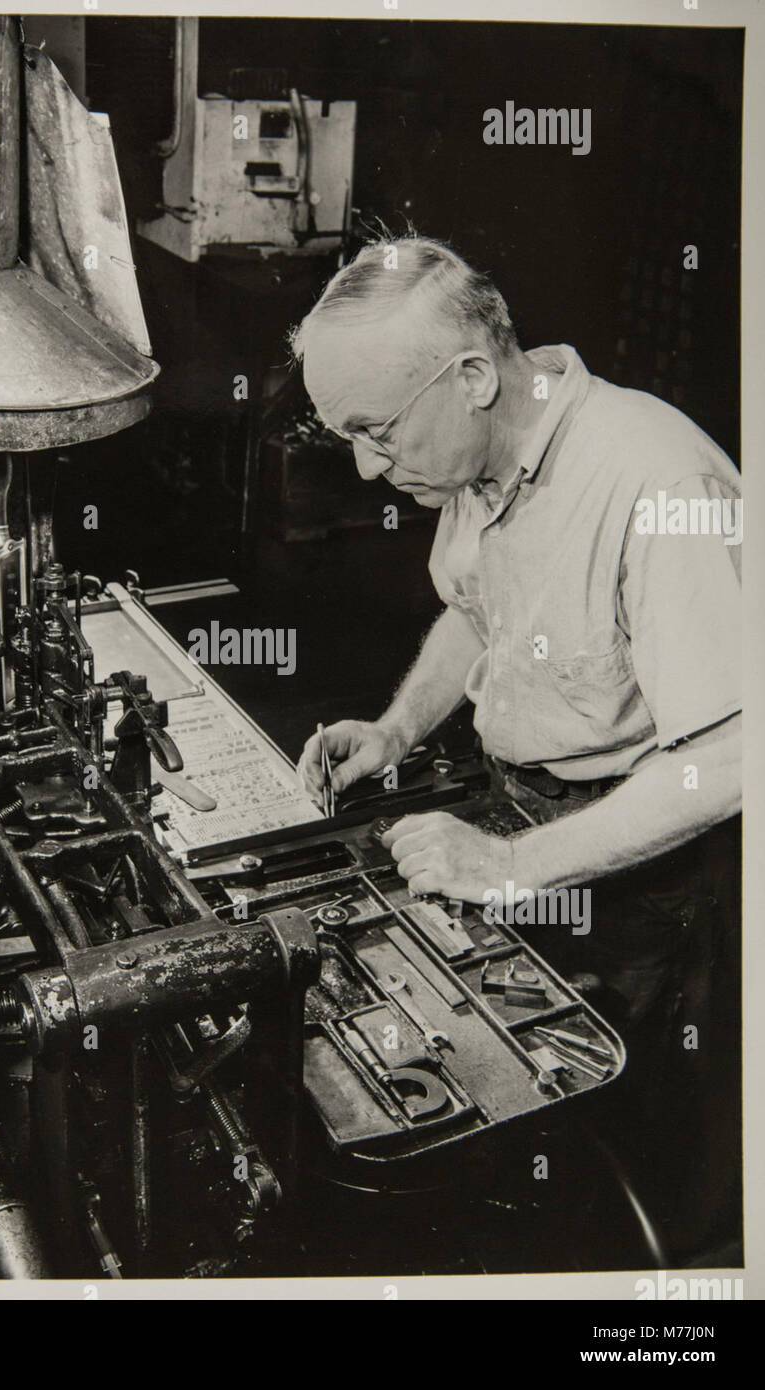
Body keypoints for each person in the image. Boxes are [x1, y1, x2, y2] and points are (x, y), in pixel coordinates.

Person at [293, 234, 742, 1259]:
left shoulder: (656, 479)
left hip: (646, 880)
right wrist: (399, 728)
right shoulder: (481, 463)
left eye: (375, 431)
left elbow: (728, 756)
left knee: (625, 1156)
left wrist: (506, 866)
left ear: (475, 376)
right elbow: (475, 611)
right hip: (522, 817)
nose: (366, 465)